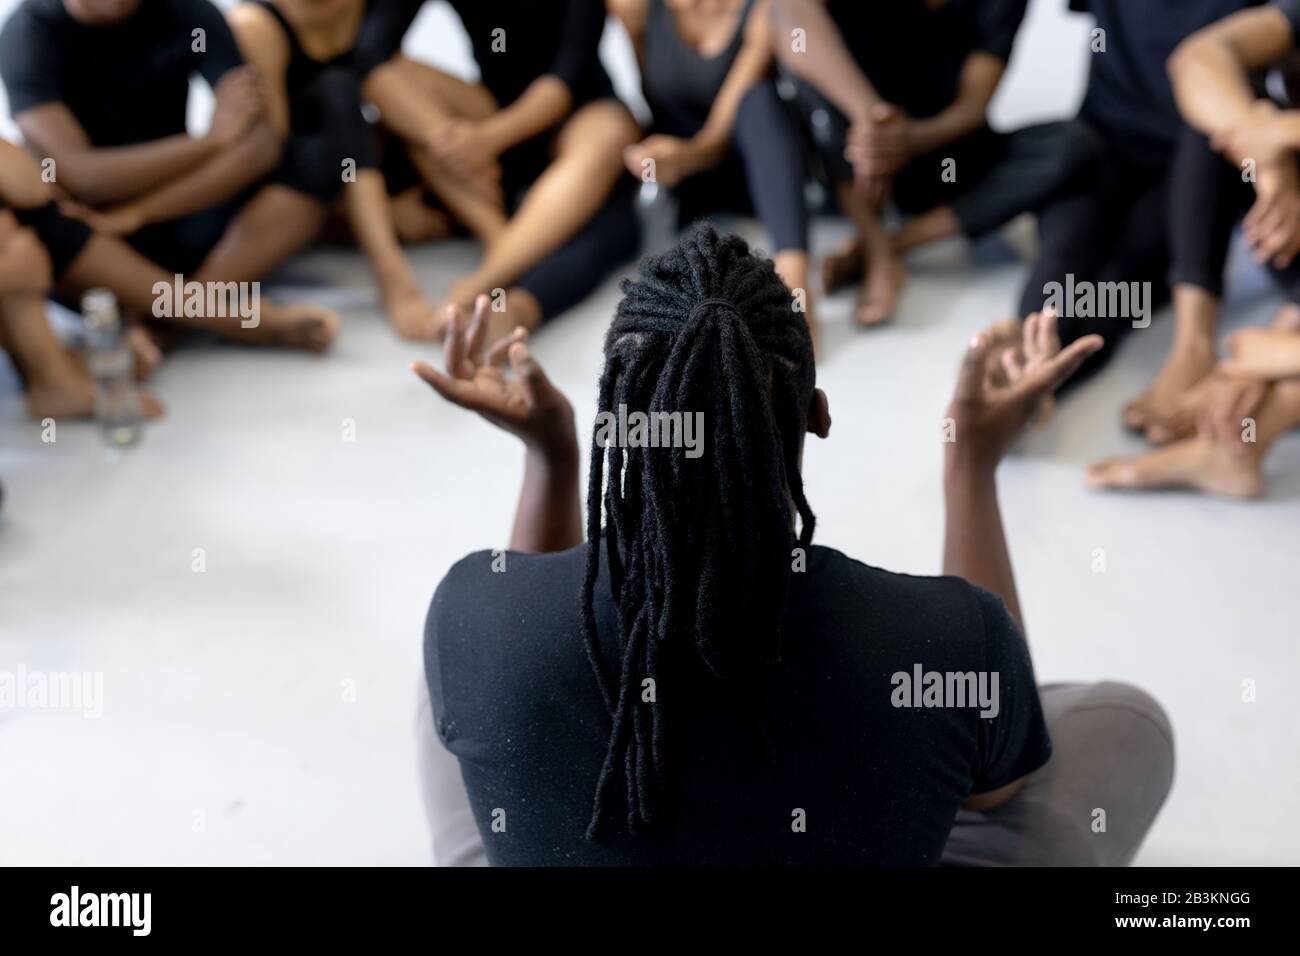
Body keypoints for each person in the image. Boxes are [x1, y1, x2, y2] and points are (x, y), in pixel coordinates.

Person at [408, 226, 1174, 866]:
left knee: (457, 677)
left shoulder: (473, 608)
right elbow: (994, 795)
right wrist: (971, 468)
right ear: (816, 415)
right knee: (1124, 720)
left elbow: (526, 621)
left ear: (618, 421)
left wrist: (551, 456)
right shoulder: (941, 638)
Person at [0, 0, 339, 351]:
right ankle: (222, 317)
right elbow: (83, 175)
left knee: (315, 157)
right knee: (33, 219)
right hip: (95, 239)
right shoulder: (29, 34)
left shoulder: (189, 13)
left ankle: (170, 322)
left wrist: (138, 213)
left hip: (180, 209)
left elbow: (260, 143)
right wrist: (209, 142)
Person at [1085, 0, 1300, 495]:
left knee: (1269, 357)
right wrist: (1269, 162)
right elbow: (1198, 58)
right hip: (1288, 228)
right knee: (1221, 116)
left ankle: (1240, 439)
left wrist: (1278, 353)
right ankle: (1194, 346)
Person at [769, 0, 1089, 327]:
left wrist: (909, 139)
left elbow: (973, 105)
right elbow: (790, 14)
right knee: (811, 73)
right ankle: (878, 247)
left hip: (940, 156)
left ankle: (896, 244)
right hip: (854, 157)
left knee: (1075, 145)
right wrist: (873, 118)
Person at [354, 0, 642, 343]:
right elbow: (372, 52)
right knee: (397, 77)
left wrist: (487, 140)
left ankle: (484, 280)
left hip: (576, 114)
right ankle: (504, 241)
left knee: (612, 133)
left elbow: (566, 77)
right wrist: (450, 143)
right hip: (492, 111)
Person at [1016, 0, 1262, 386]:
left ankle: (1040, 387)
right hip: (1102, 141)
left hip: (1189, 167)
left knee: (1124, 274)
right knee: (1063, 256)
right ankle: (1024, 373)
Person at [226, 0, 447, 339]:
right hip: (305, 177)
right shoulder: (257, 24)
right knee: (337, 89)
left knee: (415, 116)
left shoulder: (375, 10)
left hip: (365, 164)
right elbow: (271, 152)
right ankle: (394, 279)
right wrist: (388, 211)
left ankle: (500, 244)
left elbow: (393, 86)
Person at [610, 0, 815, 346]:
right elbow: (653, 97)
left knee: (760, 100)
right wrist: (650, 155)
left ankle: (795, 288)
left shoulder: (762, 9)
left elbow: (715, 139)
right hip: (682, 175)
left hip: (749, 166)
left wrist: (684, 157)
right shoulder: (635, 8)